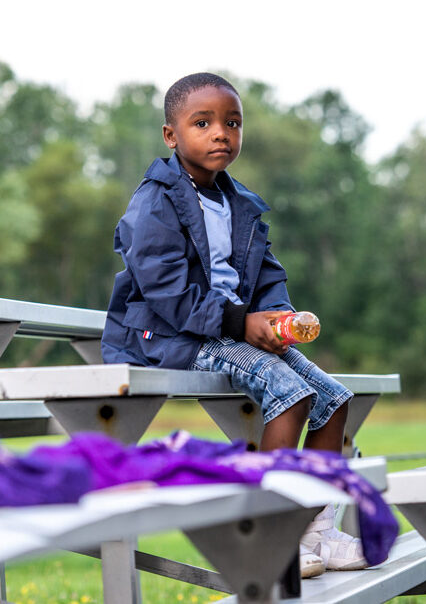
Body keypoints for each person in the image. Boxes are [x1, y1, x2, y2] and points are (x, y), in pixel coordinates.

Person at [101, 72, 366, 577]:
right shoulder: (155, 201)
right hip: (170, 335)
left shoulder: (239, 204)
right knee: (291, 393)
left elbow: (267, 274)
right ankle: (271, 533)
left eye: (232, 123)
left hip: (229, 328)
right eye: (202, 123)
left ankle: (316, 527)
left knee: (334, 400)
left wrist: (278, 315)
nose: (221, 133)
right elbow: (166, 290)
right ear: (170, 135)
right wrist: (241, 323)